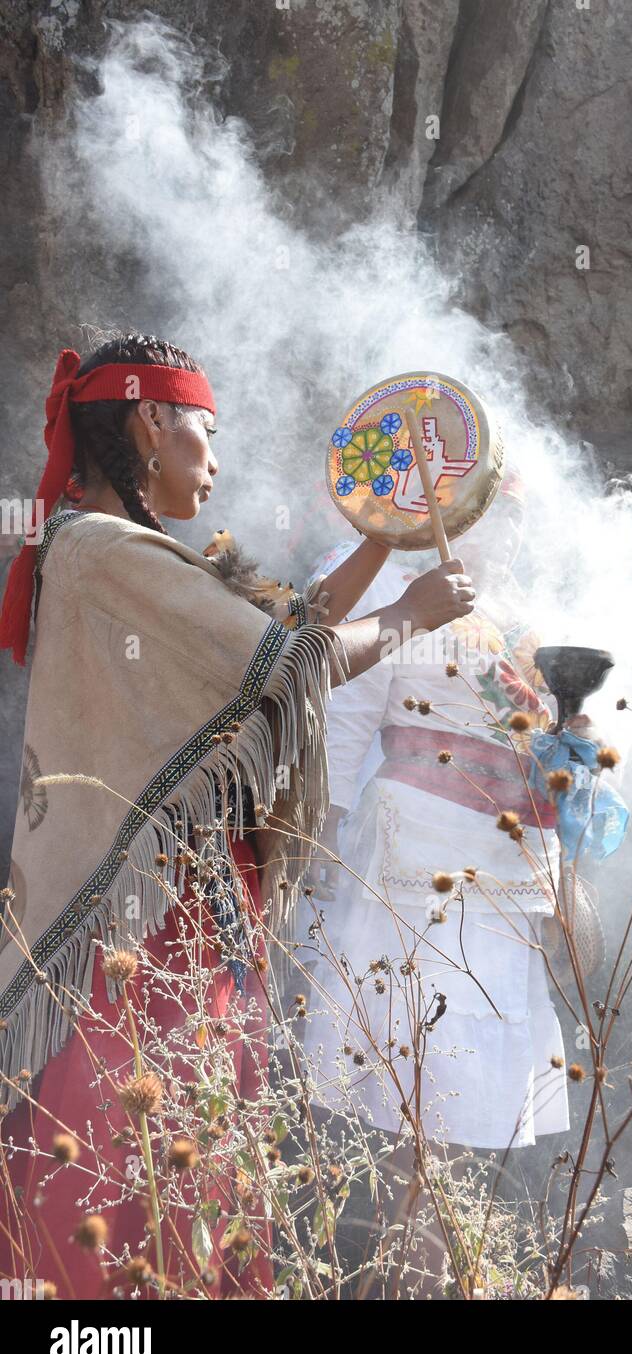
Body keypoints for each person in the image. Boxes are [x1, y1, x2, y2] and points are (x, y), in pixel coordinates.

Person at [0, 334, 473, 1296]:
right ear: (151, 422)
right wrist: (415, 613)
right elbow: (291, 663)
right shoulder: (101, 550)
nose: (213, 464)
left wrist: (382, 534)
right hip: (141, 925)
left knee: (192, 1139)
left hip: (180, 904)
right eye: (204, 436)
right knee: (138, 1143)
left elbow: (283, 632)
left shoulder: (121, 554)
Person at [299, 479, 606, 1157]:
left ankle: (432, 1248)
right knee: (413, 1057)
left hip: (510, 868)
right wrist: (322, 836)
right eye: (502, 515)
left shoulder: (523, 621)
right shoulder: (396, 588)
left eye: (524, 518)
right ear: (460, 515)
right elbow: (345, 720)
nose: (514, 534)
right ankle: (409, 1247)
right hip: (416, 863)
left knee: (469, 1078)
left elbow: (542, 748)